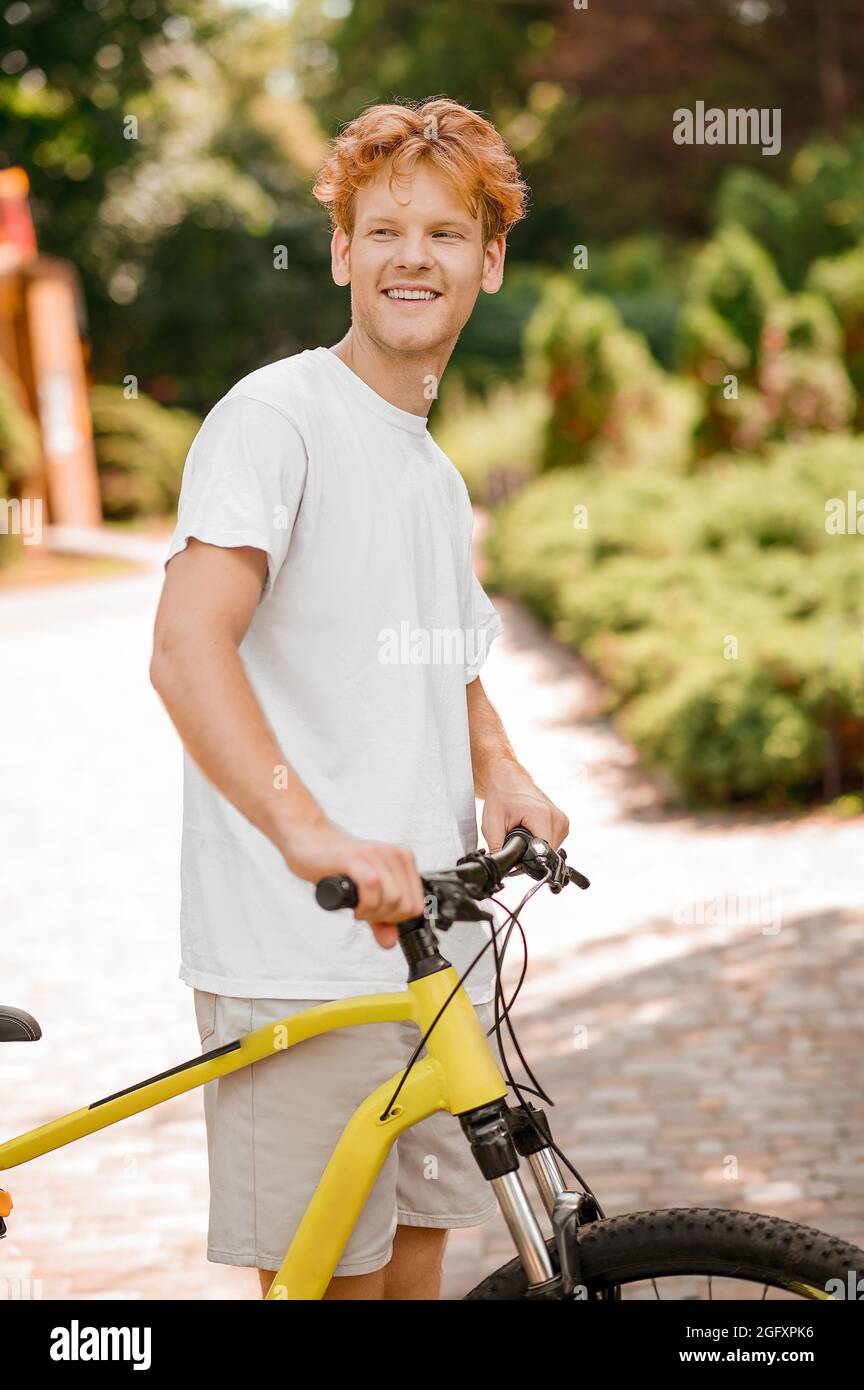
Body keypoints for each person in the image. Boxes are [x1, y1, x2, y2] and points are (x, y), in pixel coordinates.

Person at [150, 96, 569, 1302]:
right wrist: (310, 832)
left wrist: (506, 770)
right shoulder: (276, 419)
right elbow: (186, 647)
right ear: (340, 252)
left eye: (445, 233)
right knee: (334, 1287)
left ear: (490, 260)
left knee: (414, 1278)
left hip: (435, 954)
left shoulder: (431, 469)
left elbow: (453, 657)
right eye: (383, 230)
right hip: (301, 956)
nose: (411, 257)